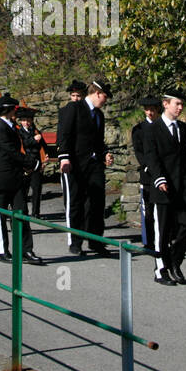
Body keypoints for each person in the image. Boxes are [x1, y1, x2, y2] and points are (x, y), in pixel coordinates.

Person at [144, 88, 186, 285]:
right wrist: (158, 177)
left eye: (182, 104)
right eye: (177, 103)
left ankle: (175, 258)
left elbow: (185, 155)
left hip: (182, 184)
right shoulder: (152, 129)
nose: (180, 108)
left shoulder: (183, 129)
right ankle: (161, 270)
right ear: (166, 104)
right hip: (163, 187)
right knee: (163, 229)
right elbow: (151, 157)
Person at [56, 79, 114, 255]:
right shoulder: (74, 108)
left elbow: (98, 140)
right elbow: (64, 134)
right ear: (97, 93)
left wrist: (105, 153)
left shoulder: (99, 115)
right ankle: (75, 241)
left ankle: (96, 241)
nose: (105, 101)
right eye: (105, 96)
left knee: (97, 202)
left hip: (94, 164)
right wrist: (64, 157)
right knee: (76, 203)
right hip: (76, 164)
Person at [0, 94, 44, 265]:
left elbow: (24, 144)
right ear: (9, 111)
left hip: (16, 177)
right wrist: (32, 163)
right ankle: (3, 251)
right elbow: (11, 151)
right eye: (14, 110)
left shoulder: (13, 127)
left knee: (21, 214)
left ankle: (26, 249)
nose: (16, 113)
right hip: (1, 177)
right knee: (0, 216)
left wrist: (31, 161)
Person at [130, 95, 161, 249]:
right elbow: (139, 152)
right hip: (148, 176)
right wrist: (149, 167)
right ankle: (148, 241)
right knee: (148, 211)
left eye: (153, 110)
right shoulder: (138, 130)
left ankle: (162, 241)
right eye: (147, 110)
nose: (150, 112)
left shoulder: (163, 127)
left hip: (163, 174)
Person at [15, 106, 46, 219]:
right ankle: (24, 211)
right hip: (25, 163)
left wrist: (44, 157)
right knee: (23, 189)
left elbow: (43, 146)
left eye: (28, 120)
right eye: (24, 120)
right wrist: (34, 140)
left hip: (36, 162)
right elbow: (23, 144)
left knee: (37, 188)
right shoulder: (19, 132)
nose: (26, 122)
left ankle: (36, 212)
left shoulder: (36, 130)